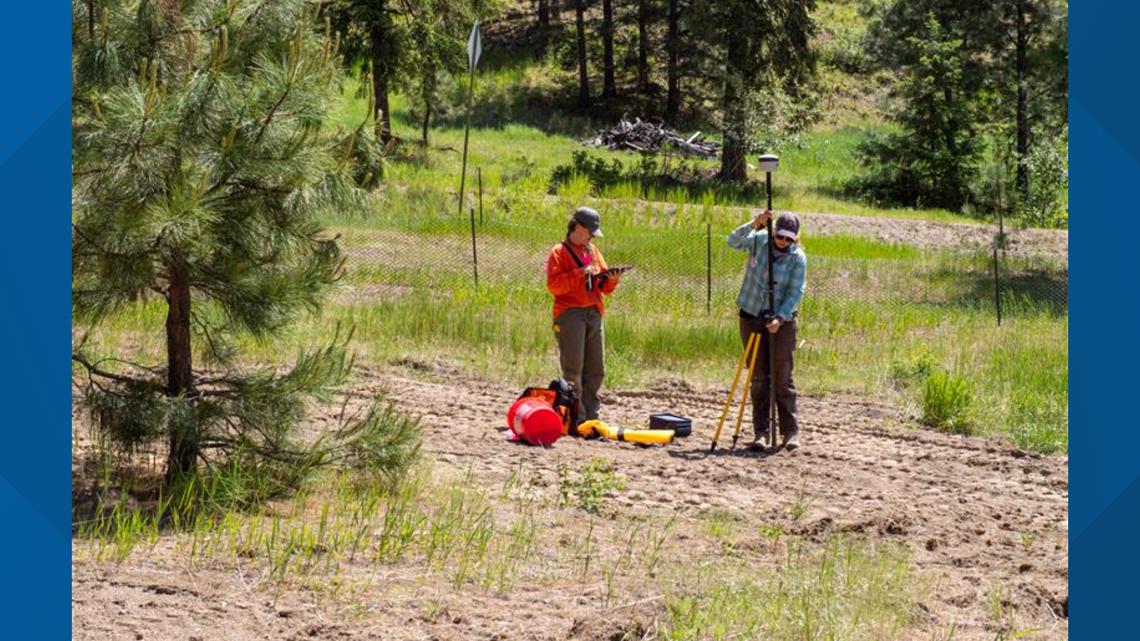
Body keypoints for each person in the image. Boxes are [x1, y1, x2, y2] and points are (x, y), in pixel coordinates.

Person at [726, 209, 807, 451]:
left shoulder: (798, 258)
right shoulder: (758, 241)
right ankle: (760, 432)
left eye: (788, 238)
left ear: (795, 238)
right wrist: (754, 224)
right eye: (780, 236)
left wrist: (779, 318)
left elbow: (795, 292)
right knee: (759, 378)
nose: (783, 242)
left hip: (781, 323)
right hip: (751, 315)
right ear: (773, 232)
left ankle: (790, 433)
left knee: (782, 379)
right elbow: (732, 241)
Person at [545, 207, 622, 424]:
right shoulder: (558, 253)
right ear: (578, 228)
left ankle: (592, 416)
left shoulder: (593, 252)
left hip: (594, 313)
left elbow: (604, 287)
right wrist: (579, 273)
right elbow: (554, 286)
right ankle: (575, 419)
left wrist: (612, 279)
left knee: (596, 369)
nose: (591, 238)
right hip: (570, 314)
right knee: (573, 370)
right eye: (590, 233)